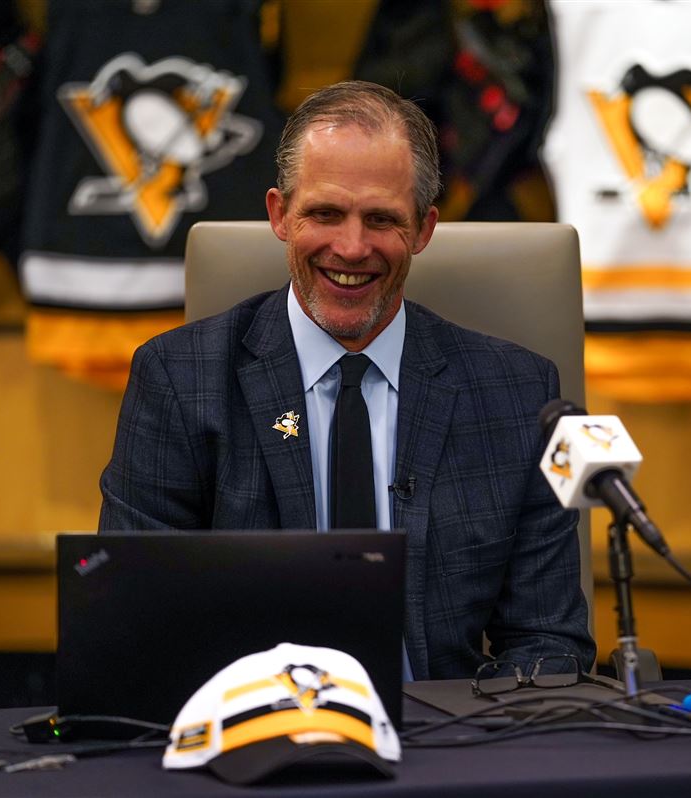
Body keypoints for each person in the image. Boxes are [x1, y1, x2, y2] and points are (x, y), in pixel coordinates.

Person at [98, 80, 595, 681]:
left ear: (423, 229)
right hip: (250, 735)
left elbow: (548, 642)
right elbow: (134, 622)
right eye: (326, 213)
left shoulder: (522, 395)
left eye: (382, 219)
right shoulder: (180, 380)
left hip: (451, 744)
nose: (352, 247)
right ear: (280, 214)